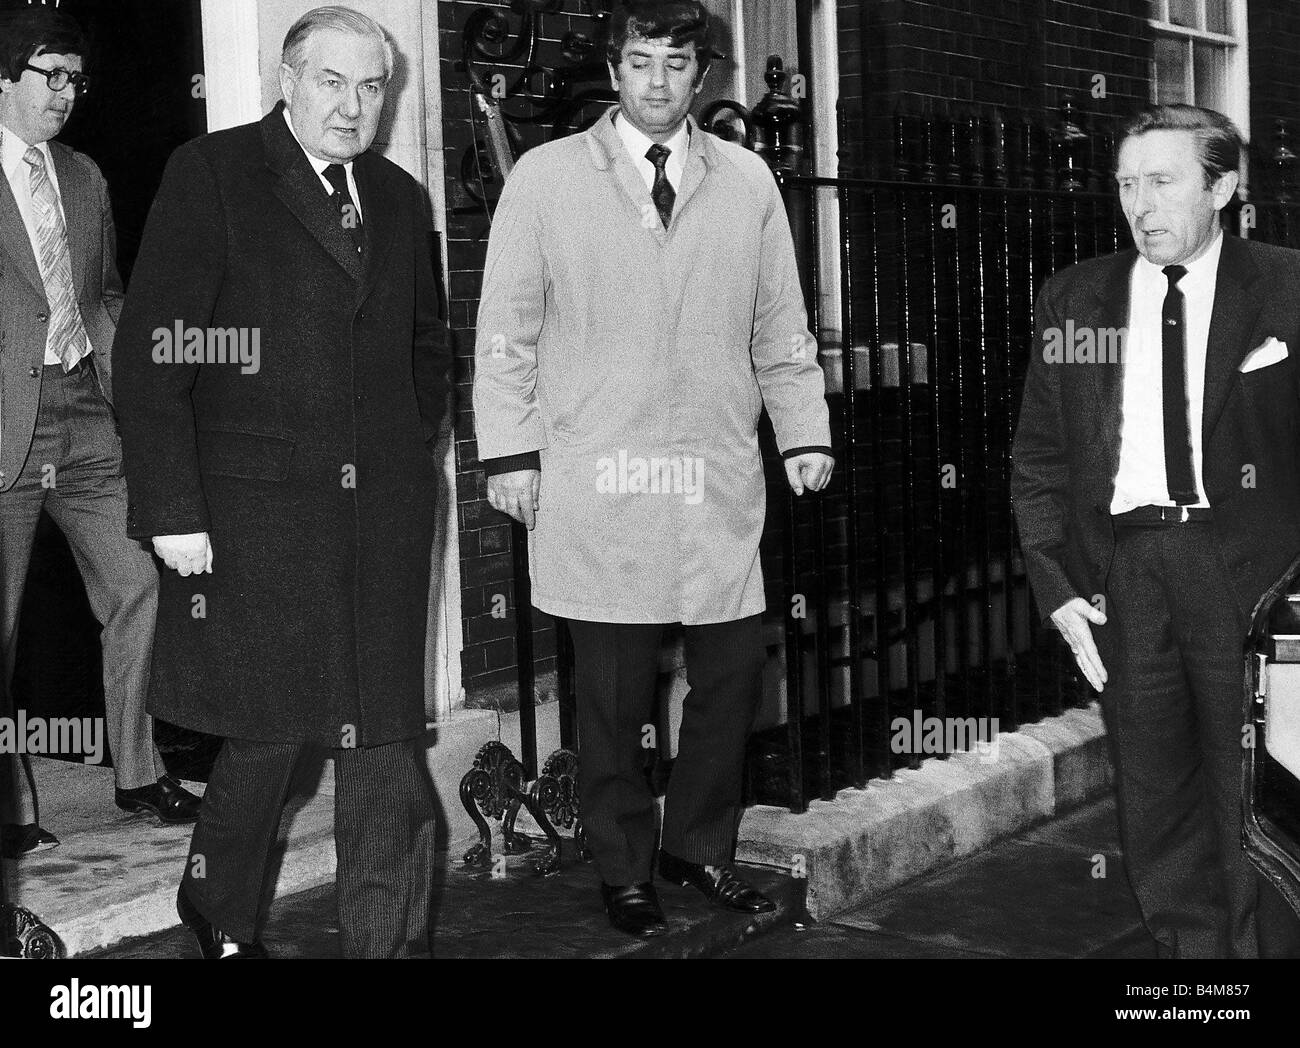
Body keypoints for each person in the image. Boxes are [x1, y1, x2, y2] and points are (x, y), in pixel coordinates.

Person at [473, 0, 833, 937]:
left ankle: (697, 847)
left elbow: (780, 329)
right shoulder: (547, 180)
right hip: (600, 475)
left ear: (703, 75)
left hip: (713, 474)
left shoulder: (749, 181)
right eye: (641, 62)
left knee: (732, 680)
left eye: (678, 64)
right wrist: (510, 454)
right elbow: (505, 335)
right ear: (615, 68)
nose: (660, 82)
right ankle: (624, 863)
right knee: (614, 695)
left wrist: (804, 433)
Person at [112, 5, 451, 959]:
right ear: (289, 83)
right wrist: (173, 509)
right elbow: (156, 355)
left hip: (380, 513)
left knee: (384, 740)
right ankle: (217, 908)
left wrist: (406, 450)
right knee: (268, 738)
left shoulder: (395, 195)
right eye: (333, 82)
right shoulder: (213, 175)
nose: (354, 106)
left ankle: (384, 947)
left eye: (373, 86)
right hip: (256, 513)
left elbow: (426, 347)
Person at [1012, 102, 1300, 958]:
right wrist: (1058, 589)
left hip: (1254, 574)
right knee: (1155, 793)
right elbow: (1040, 461)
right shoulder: (1076, 297)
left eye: (1162, 182)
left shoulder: (1287, 286)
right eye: (1128, 185)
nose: (1141, 204)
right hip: (1125, 574)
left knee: (1253, 790)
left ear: (1223, 187)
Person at [0, 3, 200, 861]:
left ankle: (137, 767)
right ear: (5, 75)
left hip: (87, 415)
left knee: (138, 585)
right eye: (51, 74)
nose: (67, 93)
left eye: (76, 79)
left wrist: (134, 394)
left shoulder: (83, 176)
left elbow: (104, 293)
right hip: (6, 420)